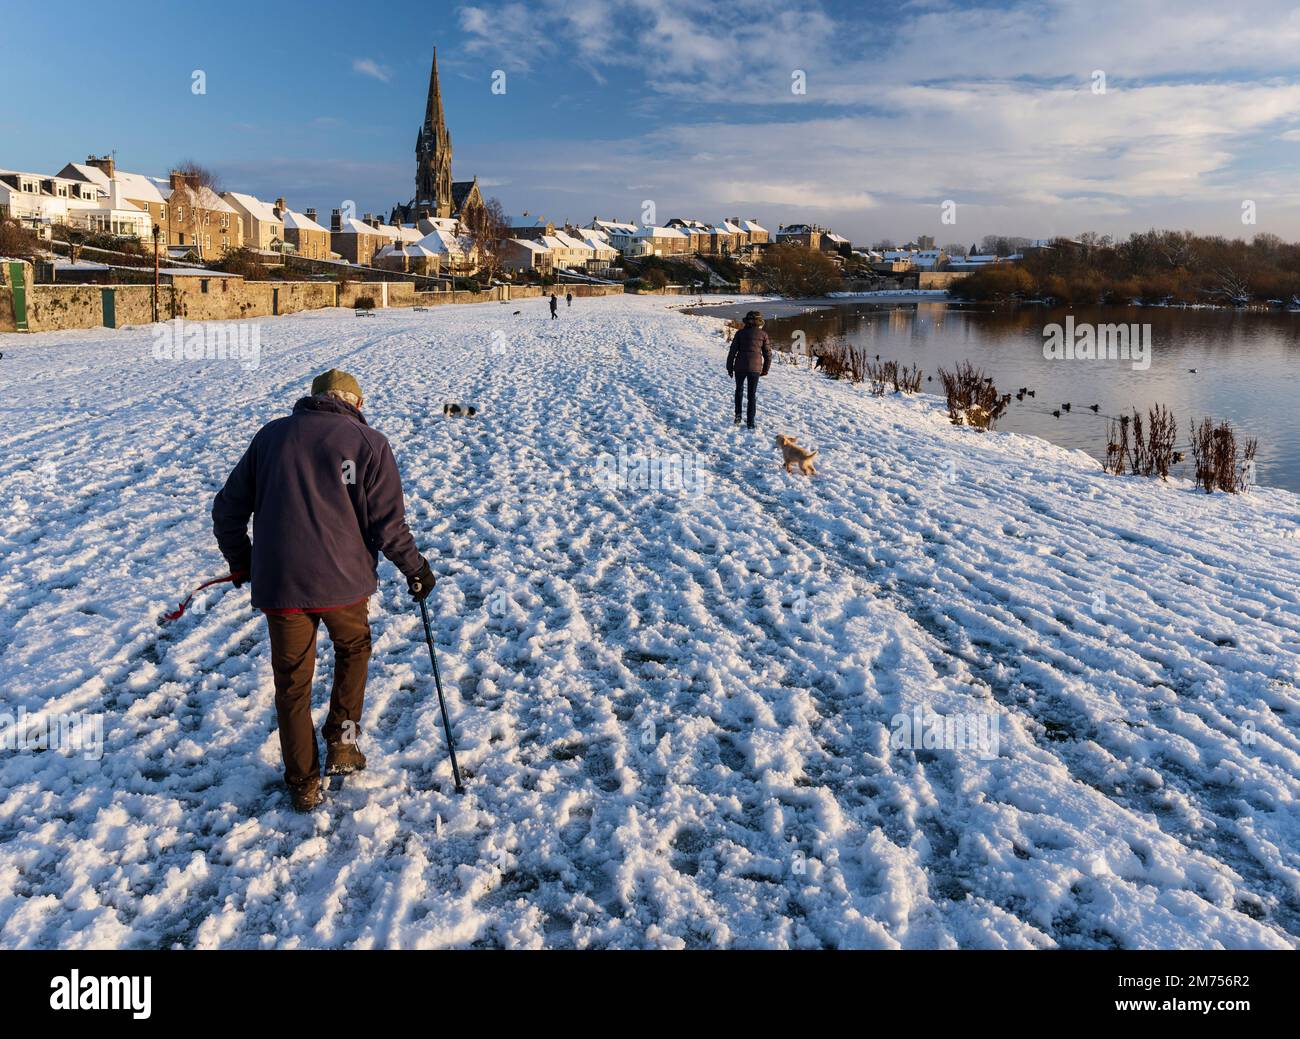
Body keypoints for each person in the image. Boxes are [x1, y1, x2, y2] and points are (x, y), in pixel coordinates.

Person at [212, 369, 435, 812]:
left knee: (293, 684)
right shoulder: (369, 444)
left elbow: (226, 510)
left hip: (283, 586)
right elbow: (389, 527)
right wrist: (417, 569)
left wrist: (245, 562)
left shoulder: (271, 438)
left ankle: (302, 783)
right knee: (353, 650)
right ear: (357, 403)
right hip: (344, 586)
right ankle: (344, 743)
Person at [726, 310, 771, 429]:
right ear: (759, 322)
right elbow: (767, 354)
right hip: (755, 368)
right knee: (752, 395)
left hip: (740, 366)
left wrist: (729, 367)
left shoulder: (740, 333)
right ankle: (750, 422)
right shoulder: (763, 334)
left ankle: (738, 416)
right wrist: (765, 369)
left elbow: (732, 352)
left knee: (739, 391)